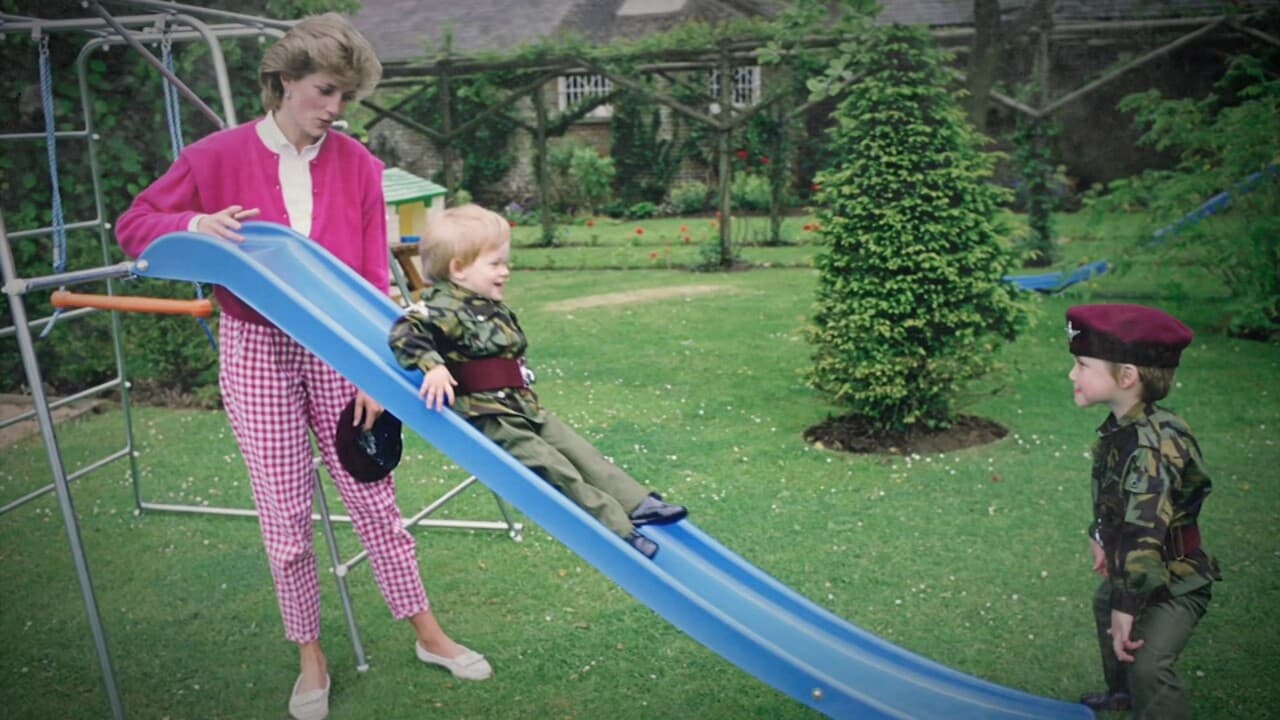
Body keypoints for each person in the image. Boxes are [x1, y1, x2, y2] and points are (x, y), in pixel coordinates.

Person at [115, 14, 489, 720]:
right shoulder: (212, 157)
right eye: (324, 91)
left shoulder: (360, 166)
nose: (335, 110)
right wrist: (192, 224)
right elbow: (135, 226)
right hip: (254, 345)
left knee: (374, 496)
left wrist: (374, 369)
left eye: (346, 96)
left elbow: (374, 278)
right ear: (284, 82)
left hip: (341, 342)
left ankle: (427, 633)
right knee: (284, 516)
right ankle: (309, 656)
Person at [388, 204, 687, 559]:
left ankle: (636, 504)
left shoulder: (485, 303)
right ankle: (618, 529)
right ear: (459, 269)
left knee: (581, 452)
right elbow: (406, 330)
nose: (506, 271)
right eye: (495, 263)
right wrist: (433, 366)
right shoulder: (443, 306)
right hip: (490, 415)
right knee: (554, 467)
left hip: (521, 405)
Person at [1065, 304, 1221, 718]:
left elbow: (1145, 530)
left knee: (1149, 663)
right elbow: (1117, 502)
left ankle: (1146, 696)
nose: (1072, 375)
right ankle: (1124, 695)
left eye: (1082, 364)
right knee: (1106, 607)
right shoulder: (1126, 428)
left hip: (1176, 580)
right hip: (1143, 565)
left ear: (1127, 377)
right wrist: (1099, 536)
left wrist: (1126, 605)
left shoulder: (1150, 447)